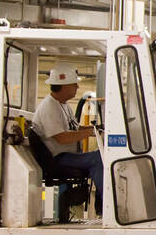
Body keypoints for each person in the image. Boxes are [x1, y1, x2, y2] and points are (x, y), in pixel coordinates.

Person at [32, 66, 103, 212]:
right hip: (58, 158)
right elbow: (61, 138)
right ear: (64, 86)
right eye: (74, 84)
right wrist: (90, 132)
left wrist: (98, 129)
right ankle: (105, 205)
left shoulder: (62, 104)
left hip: (67, 155)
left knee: (100, 156)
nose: (77, 87)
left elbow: (75, 128)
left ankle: (102, 202)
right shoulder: (49, 107)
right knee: (97, 158)